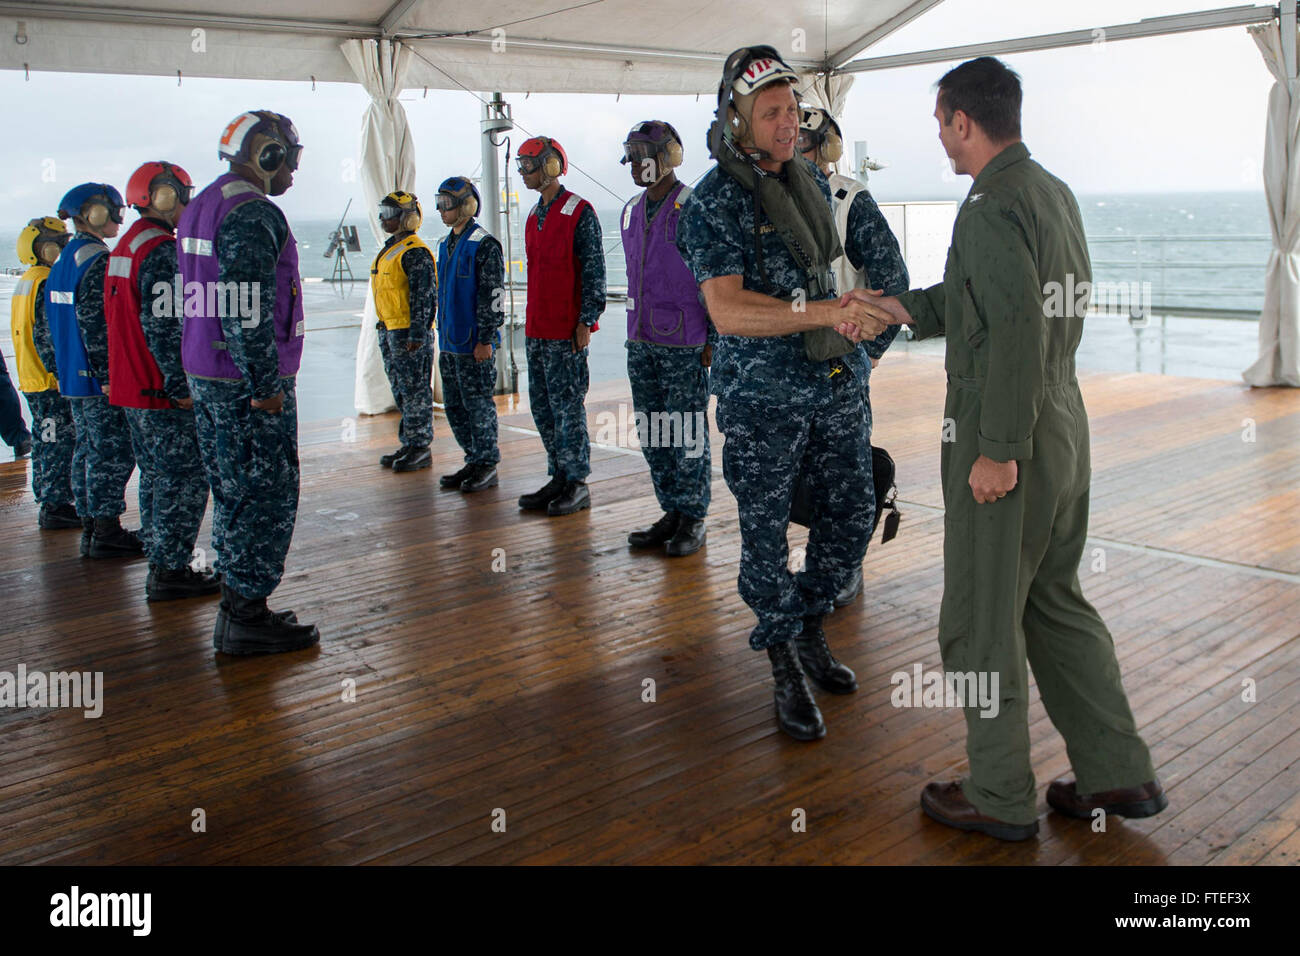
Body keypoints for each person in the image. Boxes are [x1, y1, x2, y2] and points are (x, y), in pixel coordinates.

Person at [840, 57, 1165, 840]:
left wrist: (998, 450)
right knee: (1054, 604)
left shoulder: (986, 207)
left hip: (1004, 427)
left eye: (941, 124)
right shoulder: (1047, 191)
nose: (942, 140)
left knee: (980, 623)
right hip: (1062, 420)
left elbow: (1014, 329)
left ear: (961, 121)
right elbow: (994, 303)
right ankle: (1117, 773)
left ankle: (997, 795)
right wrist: (898, 308)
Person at [675, 46, 888, 741]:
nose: (787, 122)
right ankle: (783, 662)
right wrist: (823, 314)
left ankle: (809, 626)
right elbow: (728, 311)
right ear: (736, 121)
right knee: (765, 538)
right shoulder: (712, 202)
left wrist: (851, 330)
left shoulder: (809, 185)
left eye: (792, 109)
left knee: (853, 515)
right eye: (770, 112)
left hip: (834, 385)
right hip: (764, 401)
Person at [178, 109, 319, 655]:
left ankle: (238, 608)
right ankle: (246, 616)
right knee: (266, 495)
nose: (293, 170)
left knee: (233, 491)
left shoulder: (199, 207)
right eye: (292, 155)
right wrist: (265, 385)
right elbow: (246, 309)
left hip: (207, 372)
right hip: (246, 382)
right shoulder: (252, 212)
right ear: (267, 152)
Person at [797, 105, 909, 605]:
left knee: (847, 476)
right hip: (790, 366)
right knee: (802, 473)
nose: (790, 146)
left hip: (841, 364)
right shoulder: (772, 197)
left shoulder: (849, 200)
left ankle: (844, 569)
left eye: (802, 140)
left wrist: (873, 352)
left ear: (825, 148)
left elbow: (894, 282)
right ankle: (820, 564)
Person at [106, 160, 221, 601]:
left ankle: (160, 557)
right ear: (162, 195)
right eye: (183, 193)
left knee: (156, 475)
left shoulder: (126, 246)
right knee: (185, 478)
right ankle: (171, 570)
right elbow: (165, 324)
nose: (187, 202)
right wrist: (180, 386)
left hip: (132, 385)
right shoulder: (160, 250)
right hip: (159, 390)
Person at [619, 120, 712, 557]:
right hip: (641, 343)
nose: (635, 165)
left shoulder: (696, 208)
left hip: (686, 343)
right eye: (632, 157)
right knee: (654, 431)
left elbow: (716, 278)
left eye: (643, 155)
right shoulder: (631, 210)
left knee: (687, 431)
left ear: (669, 156)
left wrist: (714, 338)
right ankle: (671, 509)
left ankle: (693, 516)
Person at [47, 182, 147, 559]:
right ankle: (106, 530)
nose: (119, 217)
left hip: (73, 374)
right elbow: (96, 322)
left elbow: (53, 322)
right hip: (95, 379)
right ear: (94, 213)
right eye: (113, 210)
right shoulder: (96, 260)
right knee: (112, 452)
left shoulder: (63, 260)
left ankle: (91, 527)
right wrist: (108, 375)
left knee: (86, 450)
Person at [515, 136, 606, 516]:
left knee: (568, 409)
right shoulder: (534, 216)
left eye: (529, 166)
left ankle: (576, 482)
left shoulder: (579, 211)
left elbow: (594, 271)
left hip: (565, 333)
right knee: (542, 408)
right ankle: (557, 475)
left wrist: (587, 320)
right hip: (536, 330)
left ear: (551, 166)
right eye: (520, 166)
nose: (523, 174)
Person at [434, 176, 505, 493]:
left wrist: (486, 338)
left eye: (447, 204)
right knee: (455, 406)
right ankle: (473, 459)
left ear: (467, 205)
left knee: (478, 406)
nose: (441, 210)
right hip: (449, 343)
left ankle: (487, 464)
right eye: (439, 202)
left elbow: (493, 295)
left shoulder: (484, 245)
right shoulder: (443, 244)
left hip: (474, 344)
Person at [9, 216, 76, 528]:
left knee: (46, 440)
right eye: (60, 245)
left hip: (32, 378)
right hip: (49, 382)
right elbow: (47, 335)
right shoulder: (46, 282)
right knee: (57, 442)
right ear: (45, 249)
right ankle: (56, 505)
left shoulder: (27, 281)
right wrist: (62, 373)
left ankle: (50, 500)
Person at [372, 190, 437, 473]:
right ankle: (409, 442)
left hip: (409, 334)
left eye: (389, 214)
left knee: (416, 391)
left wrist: (417, 334)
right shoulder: (391, 249)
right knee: (401, 389)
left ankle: (421, 446)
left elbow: (424, 297)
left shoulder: (415, 252)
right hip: (390, 330)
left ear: (407, 218)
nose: (383, 219)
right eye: (382, 213)